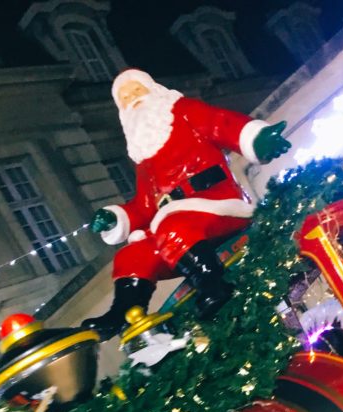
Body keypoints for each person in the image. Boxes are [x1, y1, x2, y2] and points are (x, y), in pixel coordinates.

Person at [81, 69, 291, 340]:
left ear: (153, 89)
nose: (133, 99)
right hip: (178, 227)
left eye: (136, 90)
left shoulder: (183, 111)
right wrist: (115, 217)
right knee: (131, 256)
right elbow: (145, 207)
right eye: (125, 99)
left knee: (173, 226)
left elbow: (222, 123)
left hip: (218, 205)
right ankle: (122, 314)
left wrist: (257, 138)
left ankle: (211, 283)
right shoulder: (143, 157)